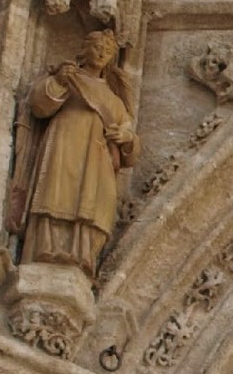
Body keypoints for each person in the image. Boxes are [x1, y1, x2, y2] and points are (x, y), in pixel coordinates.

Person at [11, 29, 139, 276]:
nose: (102, 53)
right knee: (58, 192)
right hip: (66, 142)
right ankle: (46, 249)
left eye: (108, 51)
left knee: (93, 202)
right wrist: (59, 82)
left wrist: (126, 138)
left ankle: (82, 255)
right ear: (84, 48)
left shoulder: (114, 100)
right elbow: (39, 106)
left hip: (97, 156)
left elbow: (130, 146)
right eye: (97, 47)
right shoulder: (69, 77)